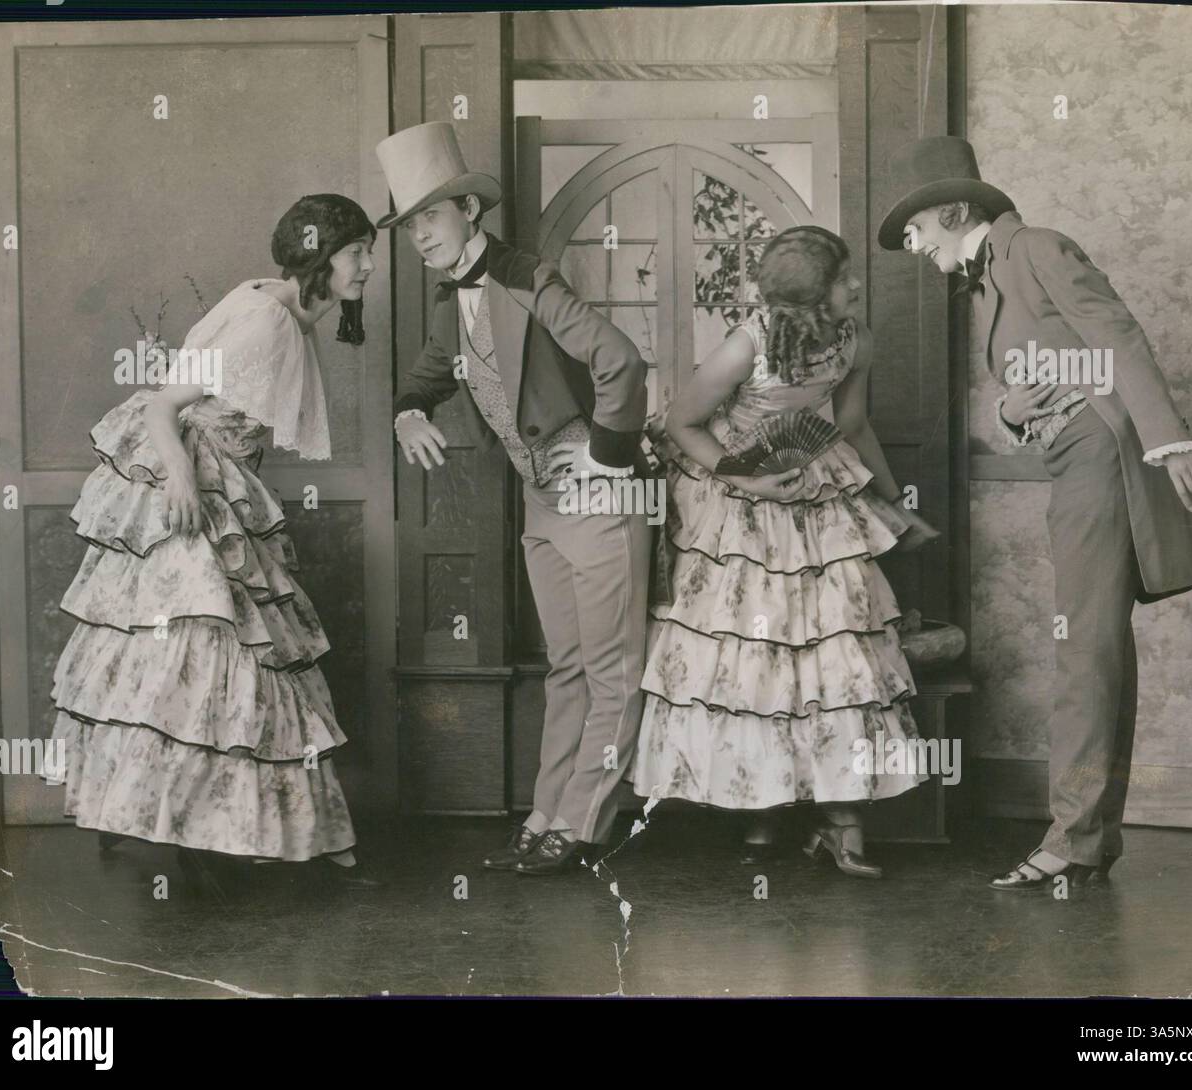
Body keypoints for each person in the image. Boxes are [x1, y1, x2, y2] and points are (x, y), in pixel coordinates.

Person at [878, 136, 1192, 890]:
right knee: (1094, 648)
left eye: (916, 226)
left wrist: (1168, 443)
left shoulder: (1033, 248)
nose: (910, 241)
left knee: (1085, 651)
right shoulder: (987, 281)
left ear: (957, 210)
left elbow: (1117, 333)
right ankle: (1087, 838)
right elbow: (1032, 383)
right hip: (1074, 460)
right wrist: (1007, 409)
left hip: (1101, 454)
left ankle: (1074, 838)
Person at [46, 194, 380, 892]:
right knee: (210, 652)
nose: (368, 268)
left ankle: (198, 821)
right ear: (320, 254)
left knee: (220, 657)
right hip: (191, 490)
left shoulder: (276, 308)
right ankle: (194, 824)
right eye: (357, 254)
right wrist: (181, 484)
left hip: (222, 486)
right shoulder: (264, 321)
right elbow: (166, 404)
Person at [383, 122, 651, 875]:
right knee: (567, 665)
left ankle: (585, 821)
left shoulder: (527, 275)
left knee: (611, 670)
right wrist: (409, 414)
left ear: (469, 208)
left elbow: (620, 362)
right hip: (540, 503)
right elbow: (426, 377)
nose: (419, 237)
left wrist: (607, 458)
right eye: (409, 226)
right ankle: (547, 811)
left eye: (429, 217)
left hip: (597, 496)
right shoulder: (449, 306)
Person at [631, 226, 939, 878]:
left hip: (814, 491)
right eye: (843, 278)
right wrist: (747, 477)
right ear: (808, 297)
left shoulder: (856, 340)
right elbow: (681, 423)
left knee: (836, 649)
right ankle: (761, 804)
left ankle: (843, 822)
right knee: (754, 655)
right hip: (738, 500)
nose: (856, 285)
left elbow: (851, 427)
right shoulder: (745, 347)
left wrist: (894, 503)